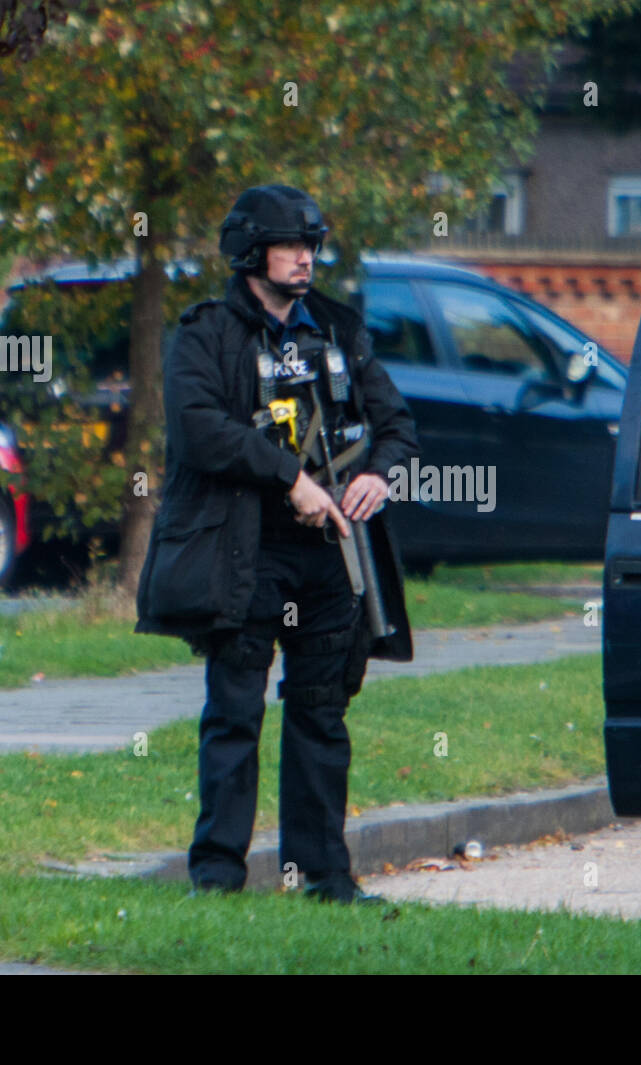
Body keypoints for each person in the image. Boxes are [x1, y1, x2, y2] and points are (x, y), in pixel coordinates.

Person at [135, 184, 420, 904]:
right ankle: (217, 877)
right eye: (292, 245)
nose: (305, 258)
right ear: (249, 251)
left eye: (313, 245)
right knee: (234, 712)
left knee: (322, 712)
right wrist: (289, 475)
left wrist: (378, 477)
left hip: (328, 556)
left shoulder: (338, 328)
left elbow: (397, 424)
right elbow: (199, 428)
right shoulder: (206, 334)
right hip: (243, 552)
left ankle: (324, 876)